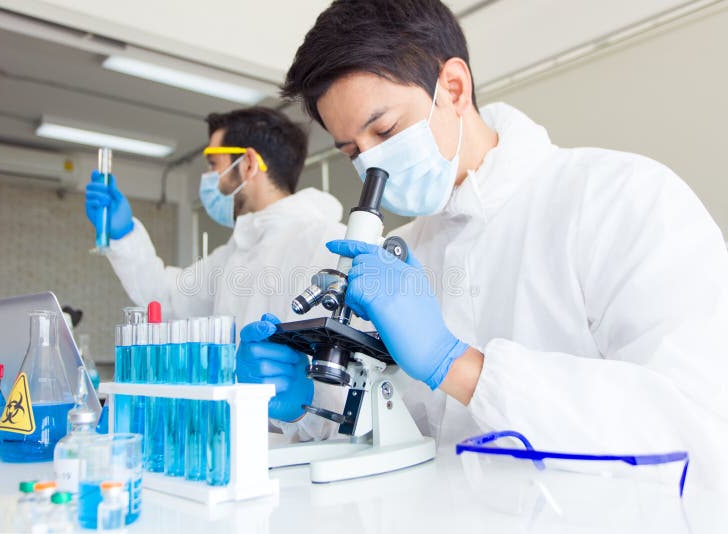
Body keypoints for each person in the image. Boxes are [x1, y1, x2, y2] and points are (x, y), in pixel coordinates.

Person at [236, 0, 728, 490]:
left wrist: (459, 365)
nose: (371, 164)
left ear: (453, 87)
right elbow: (397, 432)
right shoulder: (400, 255)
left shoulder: (620, 198)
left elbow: (697, 428)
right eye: (352, 151)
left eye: (384, 130)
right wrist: (305, 406)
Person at [84, 106, 346, 330]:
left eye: (213, 164)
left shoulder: (327, 243)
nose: (208, 179)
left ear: (248, 164)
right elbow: (166, 300)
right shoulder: (235, 254)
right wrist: (125, 235)